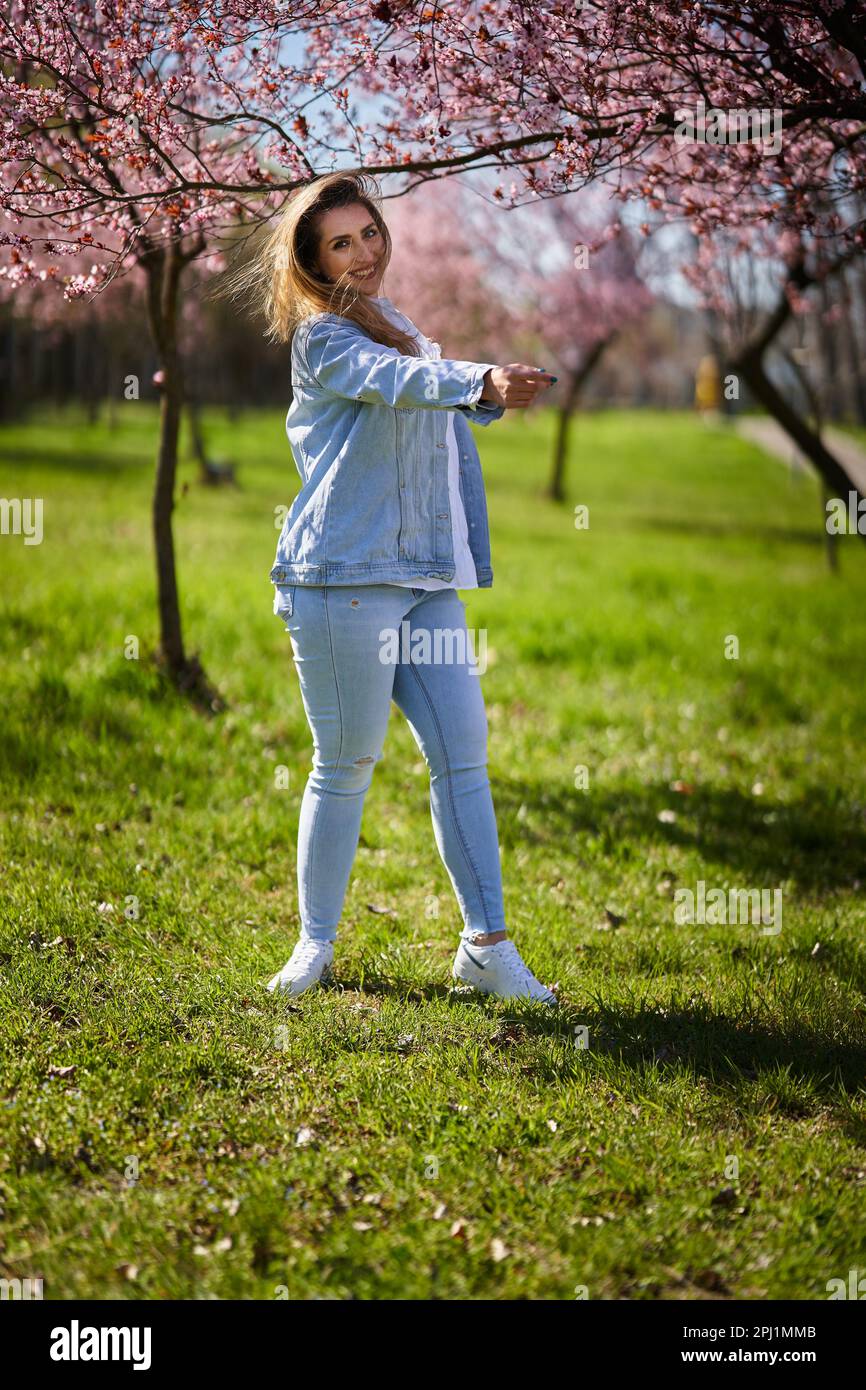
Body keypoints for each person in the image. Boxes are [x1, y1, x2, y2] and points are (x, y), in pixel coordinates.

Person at [227, 170, 558, 1002]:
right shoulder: (323, 338)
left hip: (423, 579)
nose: (363, 252)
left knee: (463, 759)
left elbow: (425, 397)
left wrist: (480, 395)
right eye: (341, 243)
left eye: (368, 232)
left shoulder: (398, 323)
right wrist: (475, 381)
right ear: (313, 262)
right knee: (345, 765)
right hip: (342, 576)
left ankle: (487, 948)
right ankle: (314, 945)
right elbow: (400, 384)